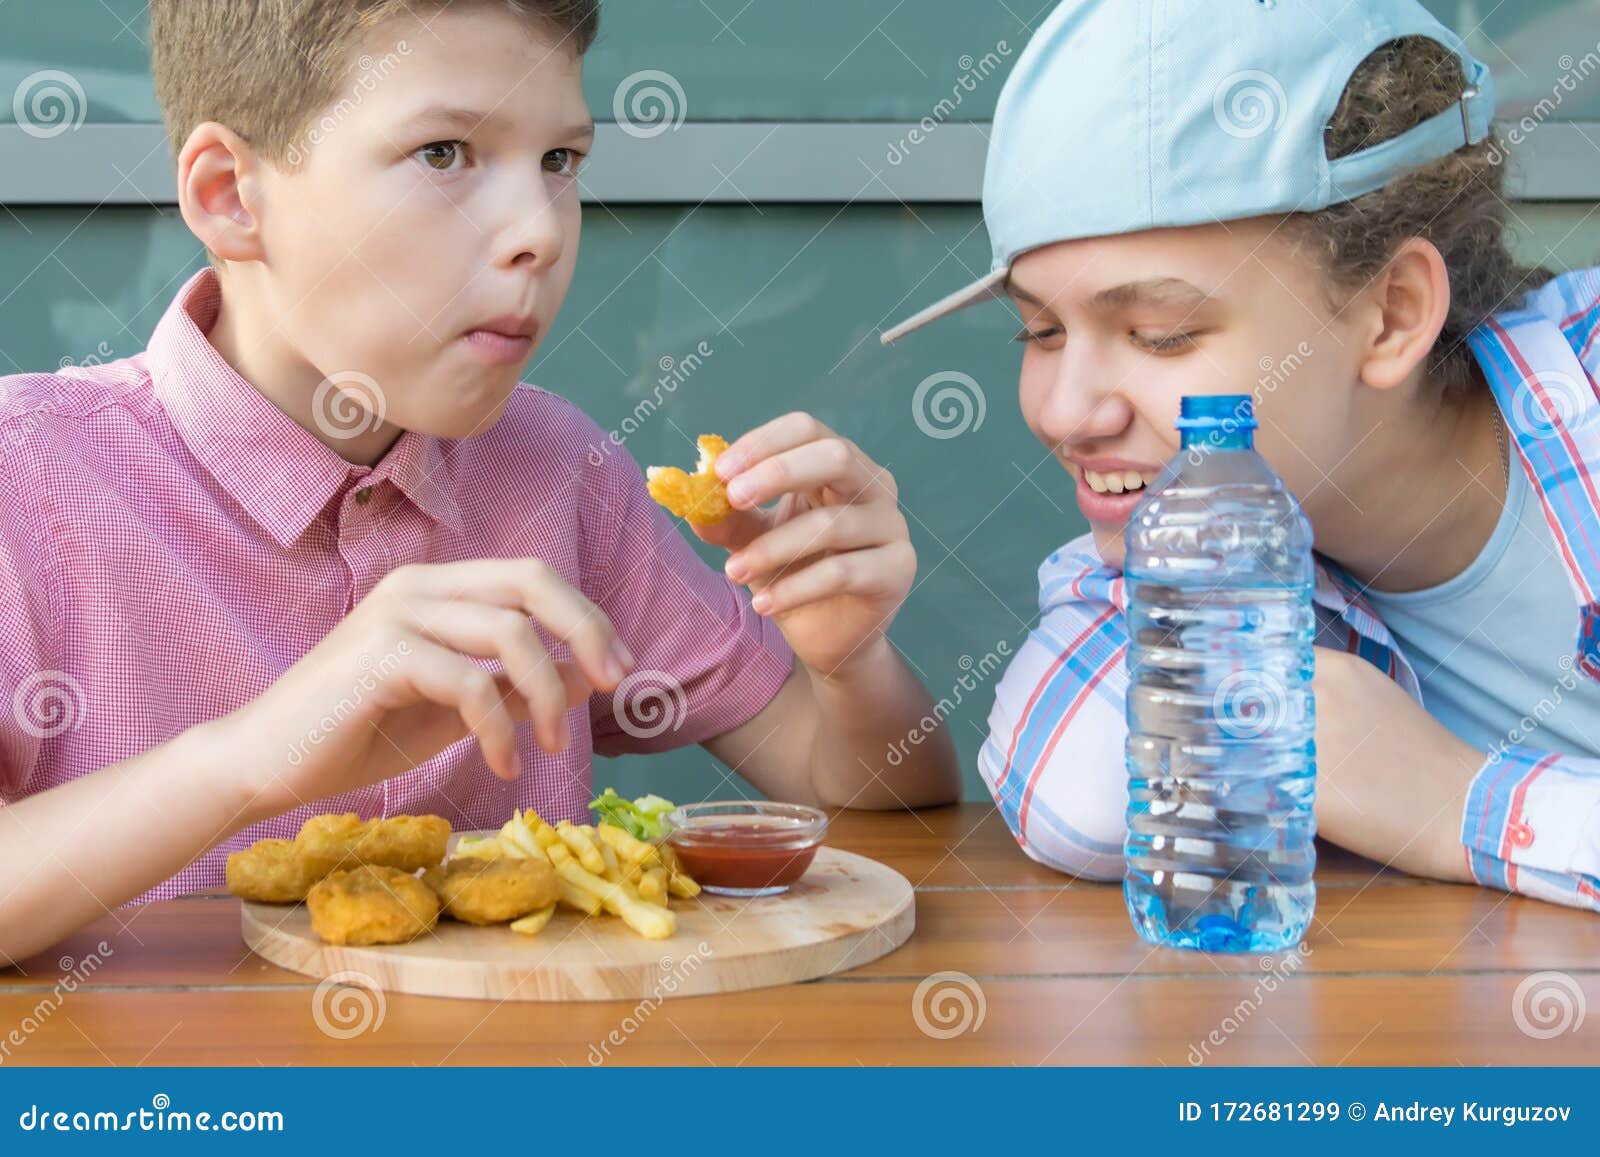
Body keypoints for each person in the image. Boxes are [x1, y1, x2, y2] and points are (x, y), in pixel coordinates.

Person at [0, 0, 959, 964]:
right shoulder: (26, 471)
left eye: (561, 163)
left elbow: (877, 789)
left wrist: (850, 661)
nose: (539, 233)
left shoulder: (560, 468)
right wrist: (249, 757)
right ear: (229, 196)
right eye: (446, 154)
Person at [883, 0, 1600, 912]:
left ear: (1394, 312)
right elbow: (1080, 799)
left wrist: (1457, 804)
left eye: (1161, 334)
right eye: (1041, 329)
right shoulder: (1181, 551)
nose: (1067, 413)